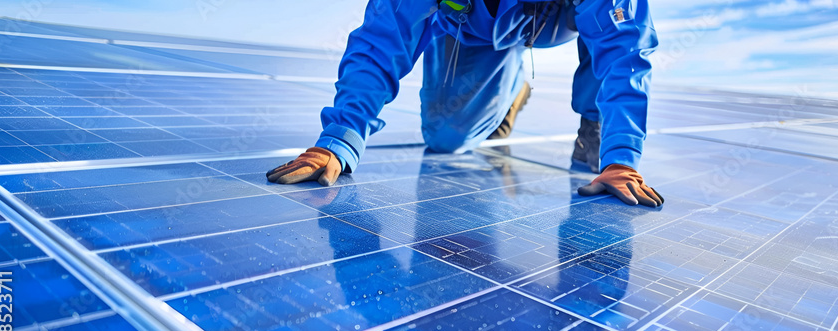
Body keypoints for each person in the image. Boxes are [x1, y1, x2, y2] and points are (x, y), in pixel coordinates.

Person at [266, 0, 664, 207]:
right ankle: (511, 91)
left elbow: (625, 49)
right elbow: (381, 41)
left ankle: (594, 123)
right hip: (471, 31)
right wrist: (340, 137)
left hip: (553, 22)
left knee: (607, 38)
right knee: (446, 138)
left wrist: (621, 159)